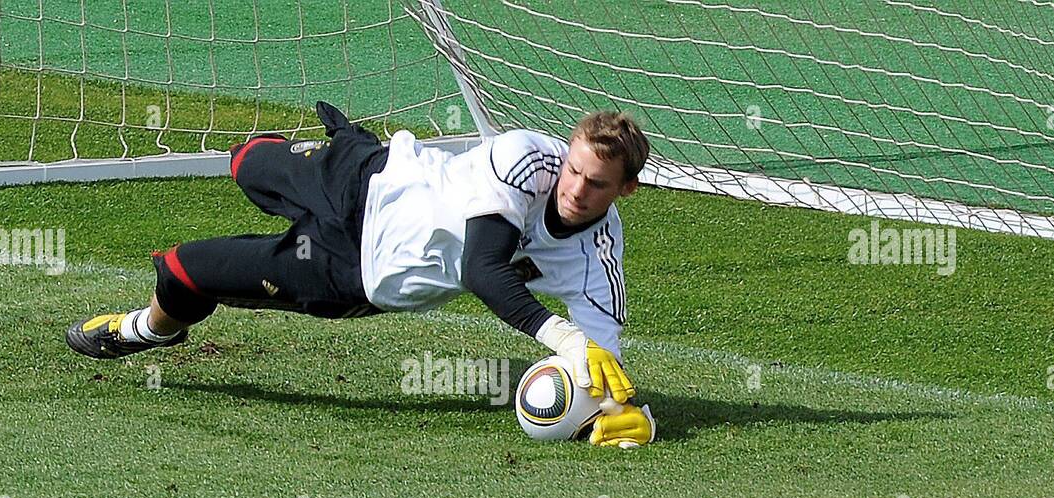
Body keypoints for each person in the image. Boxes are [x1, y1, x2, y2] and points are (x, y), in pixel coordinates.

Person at [66, 101, 655, 447]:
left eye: (596, 183)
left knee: (185, 269)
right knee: (248, 160)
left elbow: (597, 358)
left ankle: (150, 328)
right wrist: (561, 337)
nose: (575, 188)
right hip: (367, 176)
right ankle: (341, 142)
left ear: (626, 189)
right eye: (573, 169)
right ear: (565, 151)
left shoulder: (597, 258)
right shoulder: (526, 157)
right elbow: (484, 265)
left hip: (353, 271)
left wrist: (619, 415)